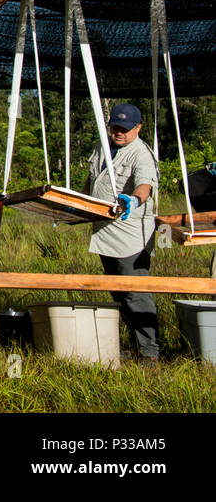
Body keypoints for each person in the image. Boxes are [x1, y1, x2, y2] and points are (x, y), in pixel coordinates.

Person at [85, 103, 159, 363]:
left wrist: (134, 200)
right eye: (115, 126)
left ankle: (149, 352)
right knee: (117, 293)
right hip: (104, 232)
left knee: (135, 293)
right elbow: (92, 179)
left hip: (130, 236)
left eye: (125, 129)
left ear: (138, 128)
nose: (119, 132)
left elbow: (144, 185)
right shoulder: (100, 146)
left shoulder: (141, 153)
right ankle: (133, 345)